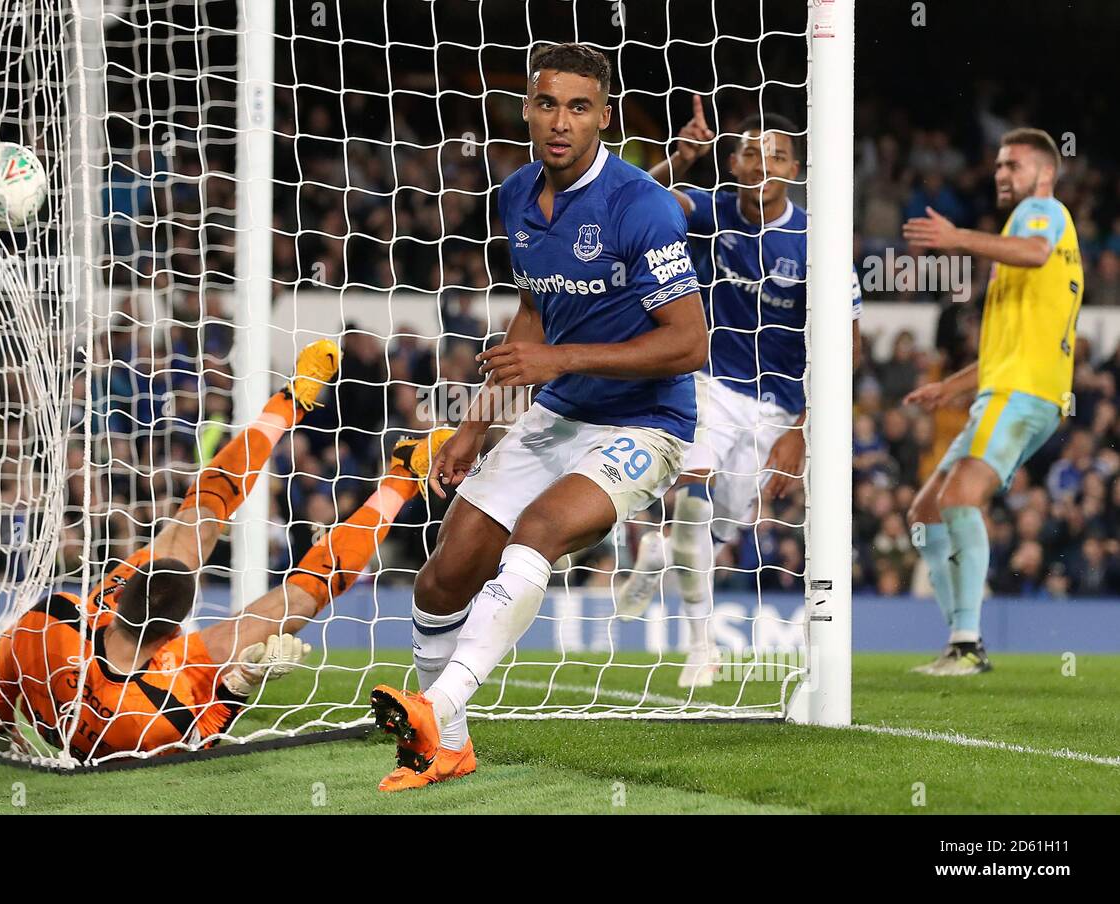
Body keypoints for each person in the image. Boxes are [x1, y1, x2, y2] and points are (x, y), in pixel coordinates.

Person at [369, 42, 707, 791]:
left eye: (579, 107)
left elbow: (689, 343)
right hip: (559, 412)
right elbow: (533, 310)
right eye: (548, 103)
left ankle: (436, 704)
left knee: (542, 529)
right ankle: (446, 746)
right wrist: (473, 426)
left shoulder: (641, 206)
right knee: (440, 580)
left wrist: (564, 359)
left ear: (605, 117)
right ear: (526, 108)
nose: (561, 122)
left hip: (646, 423)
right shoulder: (517, 193)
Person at [0, 339, 451, 760]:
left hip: (101, 661)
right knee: (290, 589)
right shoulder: (168, 693)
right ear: (173, 637)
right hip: (142, 692)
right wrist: (240, 683)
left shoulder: (51, 620)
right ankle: (394, 470)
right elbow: (201, 738)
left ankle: (344, 436)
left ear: (120, 592)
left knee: (216, 535)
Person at [617, 100, 862, 687]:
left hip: (776, 404)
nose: (763, 163)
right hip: (708, 382)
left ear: (796, 170)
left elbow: (848, 348)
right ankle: (701, 648)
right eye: (752, 152)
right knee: (692, 497)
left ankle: (660, 555)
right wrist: (679, 158)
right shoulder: (715, 210)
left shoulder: (817, 242)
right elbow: (633, 200)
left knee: (719, 525)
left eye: (776, 154)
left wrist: (801, 431)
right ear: (733, 162)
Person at [901, 128, 1081, 675]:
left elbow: (1034, 250)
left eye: (1014, 165)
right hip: (1010, 389)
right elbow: (1008, 349)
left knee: (958, 500)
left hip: (1022, 393)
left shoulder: (1040, 212)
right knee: (926, 513)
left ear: (1044, 174)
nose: (1002, 174)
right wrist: (949, 387)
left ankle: (968, 645)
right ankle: (960, 637)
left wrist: (958, 239)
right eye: (999, 166)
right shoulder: (1020, 239)